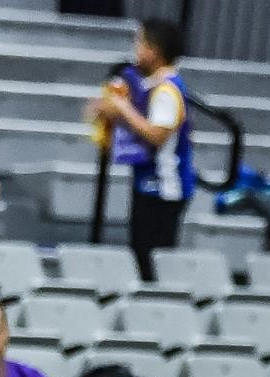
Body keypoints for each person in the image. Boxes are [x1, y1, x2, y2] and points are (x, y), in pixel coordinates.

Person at [86, 19, 195, 282]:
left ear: (154, 50)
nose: (135, 49)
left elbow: (157, 135)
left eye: (139, 43)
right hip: (147, 183)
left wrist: (122, 108)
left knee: (152, 263)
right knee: (140, 255)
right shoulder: (151, 86)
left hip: (165, 187)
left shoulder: (168, 91)